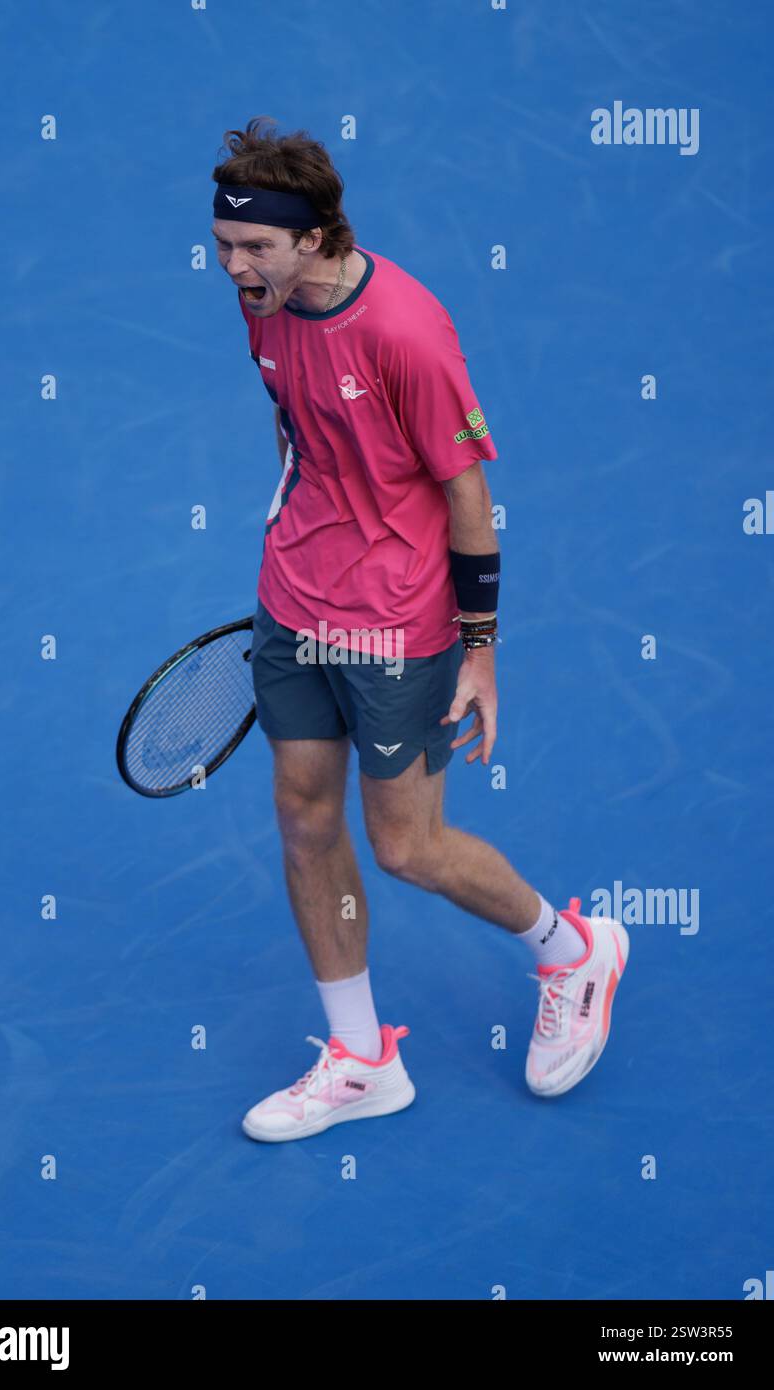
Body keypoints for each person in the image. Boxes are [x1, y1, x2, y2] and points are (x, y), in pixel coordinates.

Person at [211, 117, 629, 1142]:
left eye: (254, 247)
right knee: (306, 822)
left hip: (398, 623)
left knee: (405, 846)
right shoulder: (260, 305)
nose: (233, 266)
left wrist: (479, 648)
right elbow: (297, 422)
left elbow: (468, 496)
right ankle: (361, 1058)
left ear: (313, 236)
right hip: (294, 603)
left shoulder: (405, 331)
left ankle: (570, 947)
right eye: (221, 245)